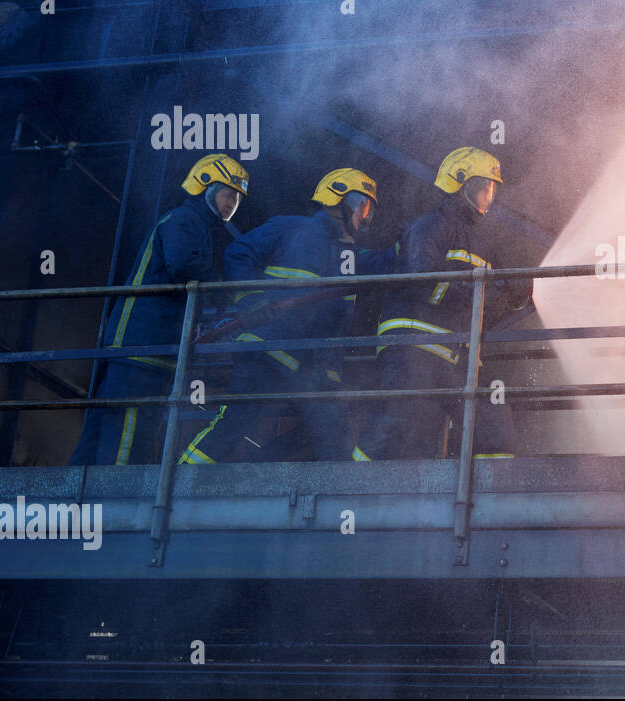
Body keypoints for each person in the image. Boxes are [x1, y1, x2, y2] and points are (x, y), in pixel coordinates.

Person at [179, 167, 386, 464]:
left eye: (369, 209)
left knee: (335, 435)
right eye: (360, 204)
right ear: (335, 200)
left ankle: (333, 501)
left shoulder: (350, 256)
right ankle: (182, 484)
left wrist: (401, 249)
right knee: (235, 424)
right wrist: (252, 302)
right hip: (266, 351)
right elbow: (238, 253)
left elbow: (373, 275)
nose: (364, 215)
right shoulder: (292, 227)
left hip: (311, 370)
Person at [353, 146, 529, 461]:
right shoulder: (430, 226)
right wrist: (480, 293)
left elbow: (483, 309)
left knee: (492, 418)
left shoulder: (483, 244)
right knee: (397, 420)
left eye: (492, 190)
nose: (490, 197)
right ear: (464, 183)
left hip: (453, 353)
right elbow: (422, 281)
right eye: (486, 188)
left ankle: (494, 503)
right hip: (412, 341)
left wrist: (514, 296)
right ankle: (350, 491)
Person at [71, 154, 249, 465]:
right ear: (205, 187)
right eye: (228, 193)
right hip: (144, 345)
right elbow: (182, 264)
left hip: (143, 346)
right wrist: (223, 292)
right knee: (130, 436)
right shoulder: (184, 219)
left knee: (102, 432)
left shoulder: (195, 225)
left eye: (236, 197)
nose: (232, 202)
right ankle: (120, 509)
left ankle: (74, 500)